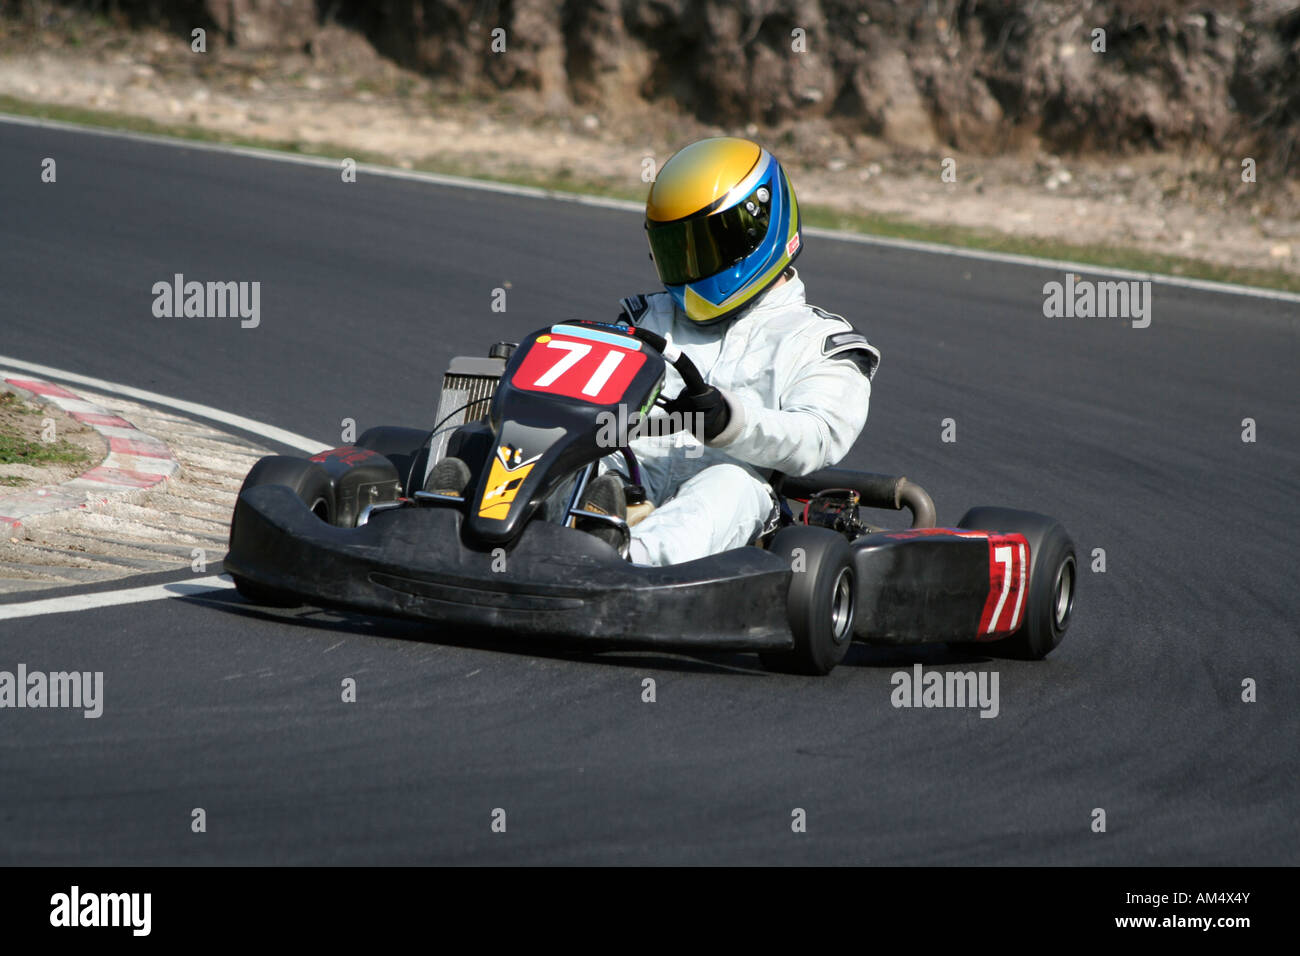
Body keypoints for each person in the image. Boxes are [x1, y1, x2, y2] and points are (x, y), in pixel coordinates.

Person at [573, 136, 881, 566]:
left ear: (758, 228)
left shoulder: (819, 342)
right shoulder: (645, 320)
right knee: (581, 461)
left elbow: (815, 439)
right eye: (676, 247)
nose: (689, 262)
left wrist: (729, 422)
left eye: (704, 245)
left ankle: (623, 564)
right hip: (632, 482)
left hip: (737, 516)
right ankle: (491, 523)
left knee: (730, 483)